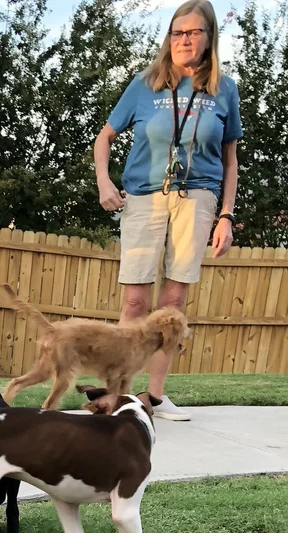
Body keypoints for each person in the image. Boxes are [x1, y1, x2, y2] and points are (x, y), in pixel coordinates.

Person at [94, 1, 240, 422]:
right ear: (168, 38)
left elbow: (230, 161)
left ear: (209, 38)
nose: (184, 40)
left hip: (198, 198)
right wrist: (105, 181)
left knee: (173, 302)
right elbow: (105, 137)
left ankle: (154, 398)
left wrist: (226, 216)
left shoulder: (224, 89)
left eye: (193, 32)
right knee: (136, 301)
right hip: (144, 197)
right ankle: (116, 397)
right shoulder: (145, 84)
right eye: (177, 33)